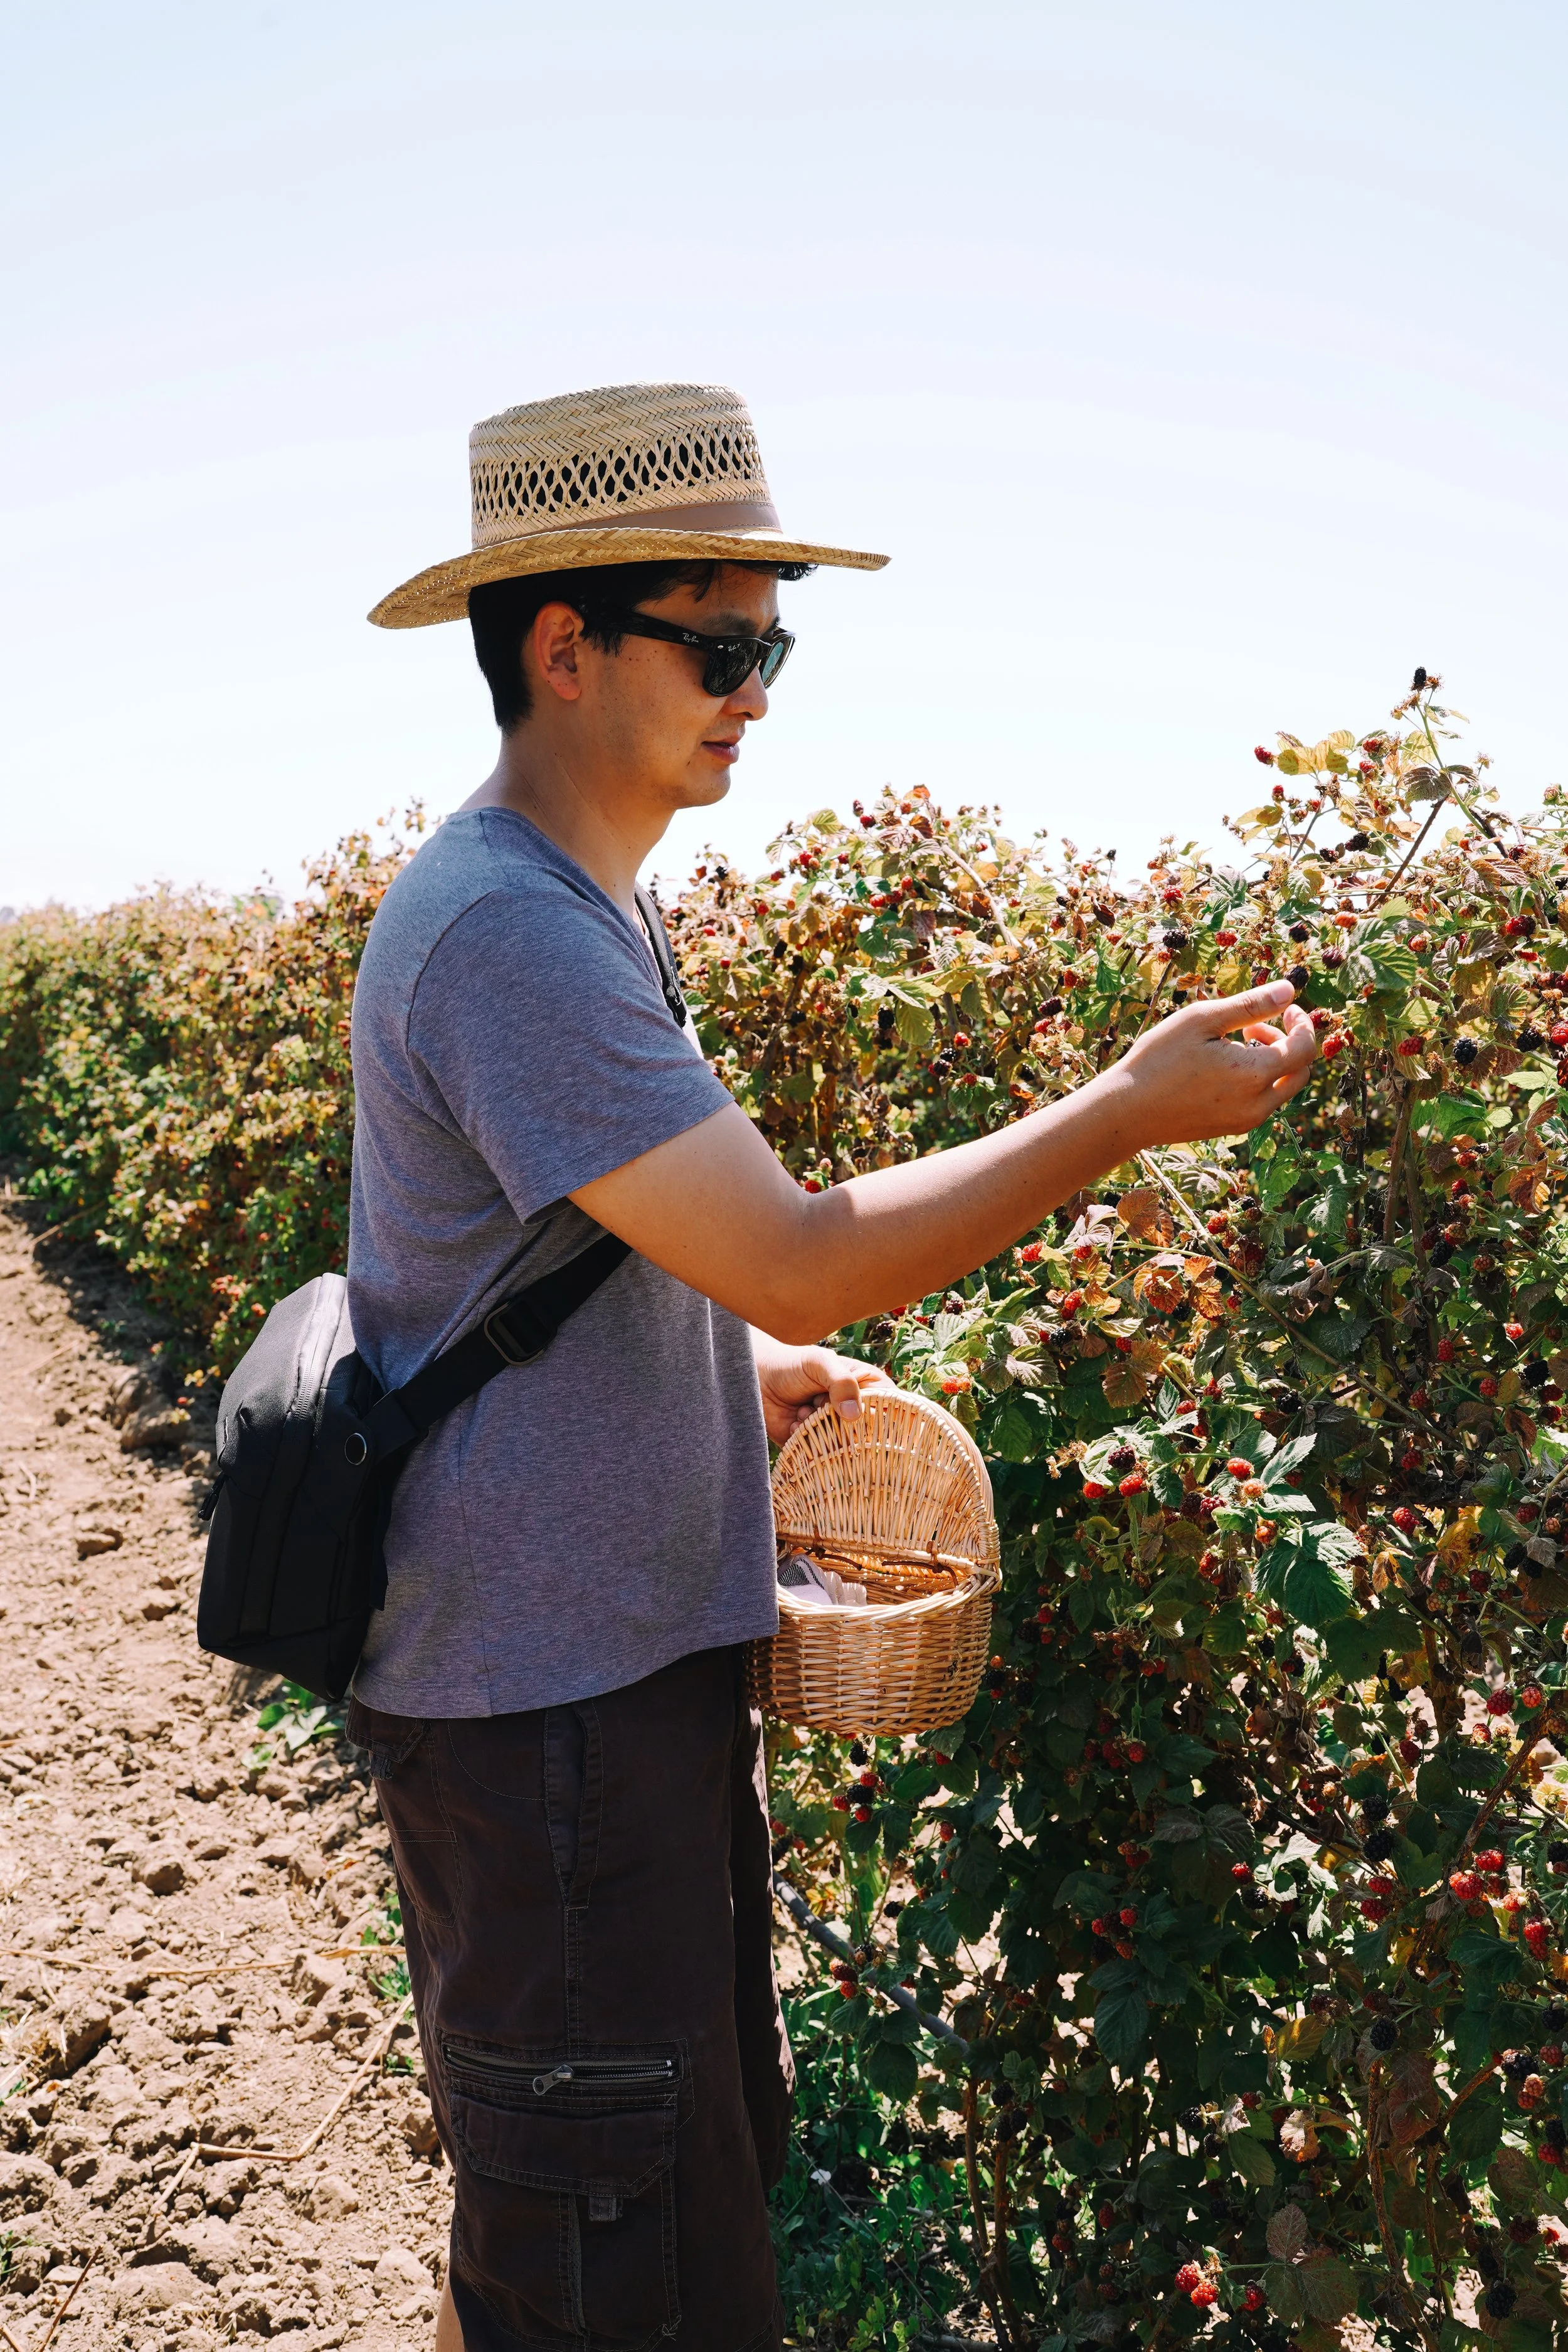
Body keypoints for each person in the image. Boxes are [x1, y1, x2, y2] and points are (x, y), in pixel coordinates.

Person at [347, 381, 1317, 2352]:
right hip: (550, 1715)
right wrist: (1120, 1108)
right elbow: (798, 1237)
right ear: (563, 645)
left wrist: (733, 1362)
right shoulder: (512, 932)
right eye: (721, 647)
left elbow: (622, 1249)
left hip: (597, 1685)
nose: (758, 695)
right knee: (617, 2263)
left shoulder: (581, 899)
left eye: (771, 650)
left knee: (615, 2218)